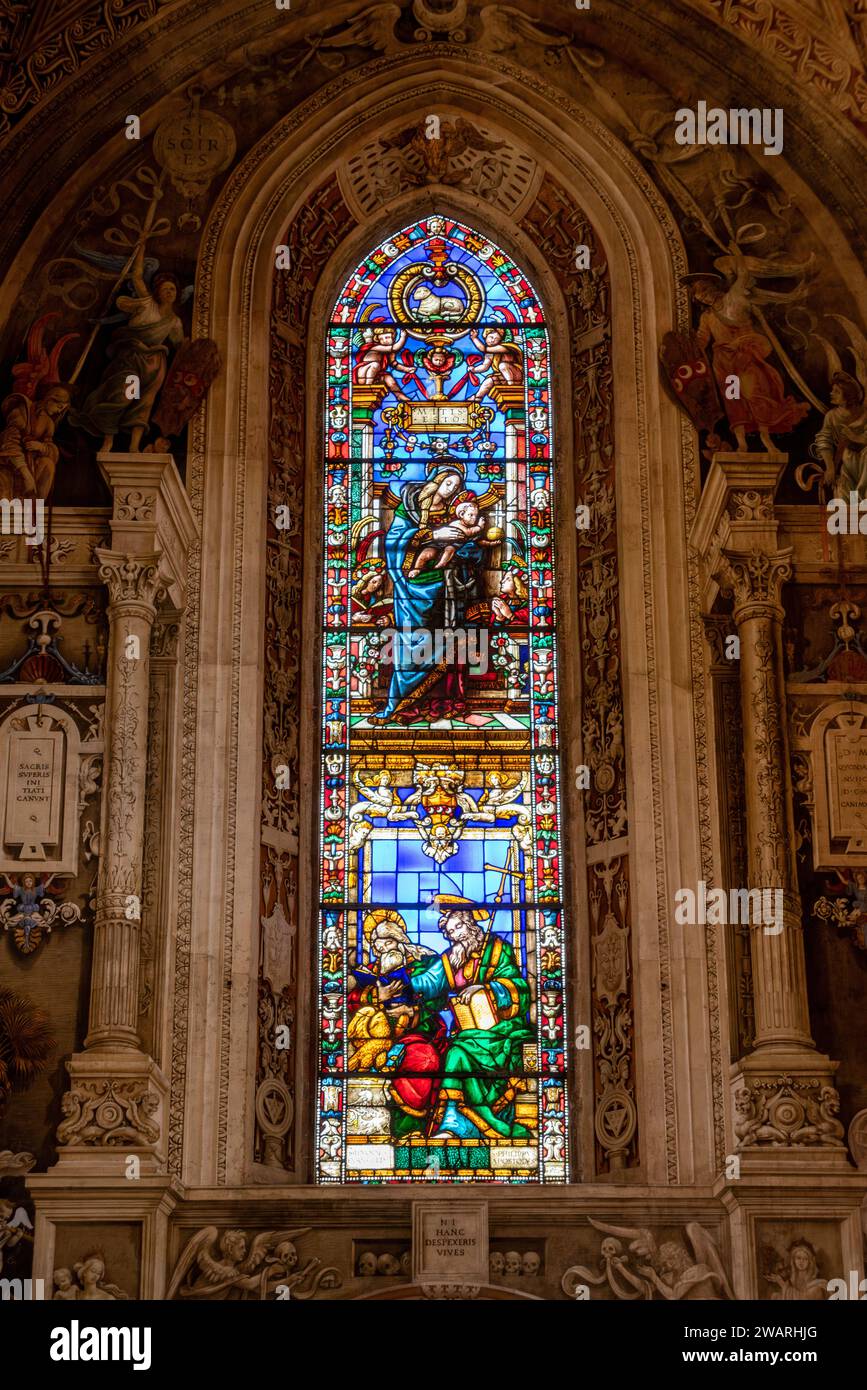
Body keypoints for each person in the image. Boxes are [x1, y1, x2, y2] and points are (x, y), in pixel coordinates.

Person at [377, 895, 532, 1140]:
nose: (455, 935)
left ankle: (459, 1124)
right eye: (450, 932)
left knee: (456, 1052)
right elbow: (429, 983)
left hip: (501, 1030)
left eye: (458, 927)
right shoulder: (453, 958)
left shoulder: (498, 950)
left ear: (470, 923)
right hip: (467, 1031)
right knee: (453, 1050)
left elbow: (520, 988)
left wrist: (487, 990)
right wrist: (399, 987)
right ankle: (455, 1122)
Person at [69, 245, 185, 453]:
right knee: (126, 395)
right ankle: (108, 440)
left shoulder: (174, 321)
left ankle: (133, 446)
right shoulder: (146, 303)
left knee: (144, 403)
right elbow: (137, 275)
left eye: (173, 289)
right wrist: (142, 245)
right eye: (166, 288)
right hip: (132, 359)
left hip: (154, 366)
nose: (170, 292)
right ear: (157, 290)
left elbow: (180, 345)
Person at [685, 272, 808, 451]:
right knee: (734, 399)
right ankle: (742, 443)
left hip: (745, 355)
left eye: (705, 290)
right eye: (700, 296)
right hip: (725, 363)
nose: (705, 297)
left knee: (755, 394)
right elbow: (702, 339)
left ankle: (767, 440)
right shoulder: (707, 317)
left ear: (713, 286)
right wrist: (689, 346)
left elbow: (743, 289)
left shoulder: (733, 301)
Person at [810, 370, 867, 500]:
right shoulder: (831, 416)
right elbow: (824, 441)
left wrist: (855, 437)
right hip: (846, 462)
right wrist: (830, 468)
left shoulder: (864, 413)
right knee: (847, 491)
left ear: (848, 395)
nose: (831, 394)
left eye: (837, 392)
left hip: (864, 462)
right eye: (832, 390)